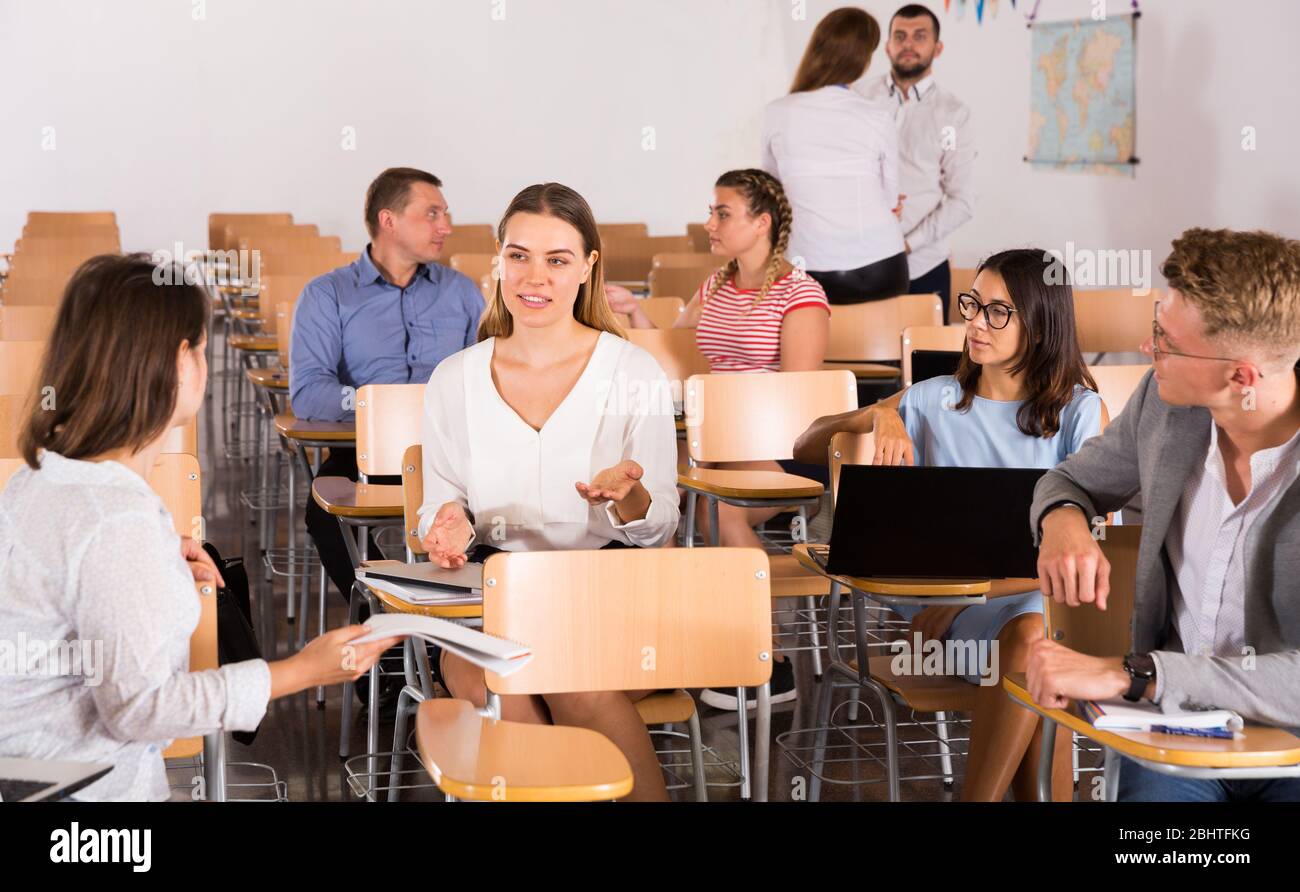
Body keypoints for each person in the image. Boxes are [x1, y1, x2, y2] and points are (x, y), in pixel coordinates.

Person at [0, 255, 398, 801]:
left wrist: (156, 554)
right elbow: (141, 710)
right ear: (177, 362)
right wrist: (304, 670)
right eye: (203, 349)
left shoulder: (41, 476)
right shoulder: (115, 519)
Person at [794, 249, 1107, 801]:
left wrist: (966, 600)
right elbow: (807, 443)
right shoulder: (934, 398)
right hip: (951, 608)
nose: (975, 323)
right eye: (972, 305)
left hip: (1029, 599)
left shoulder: (1079, 412)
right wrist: (877, 413)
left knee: (1039, 639)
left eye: (997, 312)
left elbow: (1083, 553)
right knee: (1039, 651)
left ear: (1040, 323)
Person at [416, 183, 680, 801]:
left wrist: (627, 498)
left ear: (589, 266)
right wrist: (450, 519)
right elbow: (442, 497)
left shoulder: (633, 371)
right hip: (493, 598)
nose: (534, 277)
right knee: (499, 679)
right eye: (518, 255)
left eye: (557, 259)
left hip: (606, 594)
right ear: (498, 260)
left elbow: (659, 523)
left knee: (572, 681)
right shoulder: (455, 379)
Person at [1027, 228, 1300, 802]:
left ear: (1242, 376)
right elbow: (1069, 480)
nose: (1150, 352)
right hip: (1174, 733)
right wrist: (1063, 522)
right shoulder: (1164, 404)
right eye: (1157, 327)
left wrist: (1138, 674)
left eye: (1168, 342)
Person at [611, 168, 830, 710]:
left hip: (780, 446)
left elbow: (801, 402)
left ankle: (770, 661)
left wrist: (727, 422)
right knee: (651, 496)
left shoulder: (801, 293)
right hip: (715, 440)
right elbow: (681, 349)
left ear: (761, 224)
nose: (709, 223)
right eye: (712, 211)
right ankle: (652, 652)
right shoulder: (716, 284)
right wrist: (636, 313)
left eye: (722, 213)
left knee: (720, 512)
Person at [291, 167, 484, 612]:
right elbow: (310, 392)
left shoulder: (462, 292)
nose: (446, 227)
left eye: (446, 214)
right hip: (366, 454)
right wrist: (380, 408)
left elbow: (484, 379)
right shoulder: (327, 295)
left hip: (449, 455)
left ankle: (454, 627)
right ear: (389, 220)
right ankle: (388, 626)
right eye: (431, 213)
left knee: (499, 507)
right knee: (325, 514)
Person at [762, 7, 909, 304]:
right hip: (882, 267)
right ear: (862, 61)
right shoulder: (878, 116)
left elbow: (772, 191)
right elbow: (891, 199)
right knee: (883, 349)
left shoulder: (777, 112)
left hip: (808, 268)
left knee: (813, 350)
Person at [864, 3, 976, 320]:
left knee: (925, 368)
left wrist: (907, 244)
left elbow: (963, 200)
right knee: (862, 364)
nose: (908, 44)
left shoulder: (953, 114)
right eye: (900, 36)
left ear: (937, 48)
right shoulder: (859, 99)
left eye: (919, 36)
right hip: (858, 261)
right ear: (887, 46)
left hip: (923, 266)